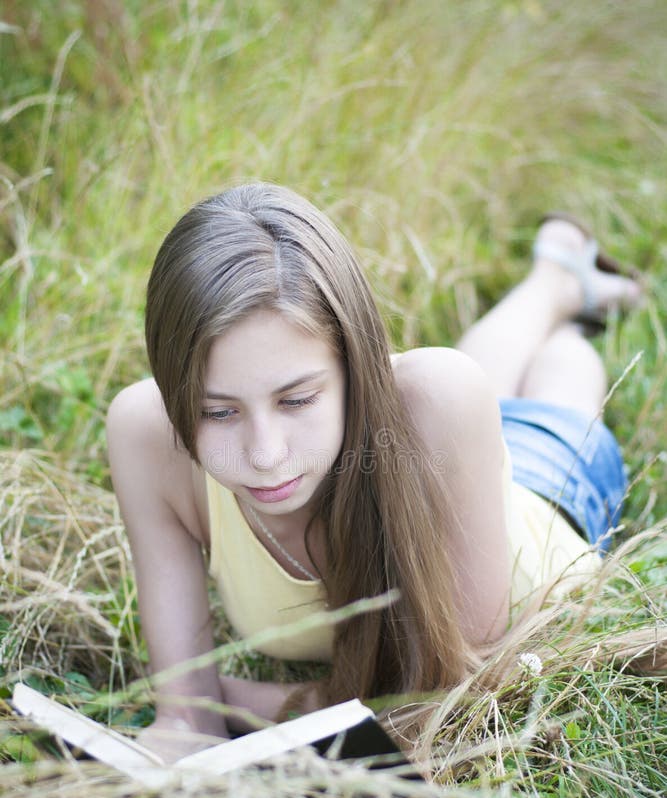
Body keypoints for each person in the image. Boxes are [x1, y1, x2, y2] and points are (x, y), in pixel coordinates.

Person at [106, 183, 642, 761]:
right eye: (218, 411)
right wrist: (189, 717)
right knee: (463, 381)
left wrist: (266, 700)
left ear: (354, 365)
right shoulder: (147, 433)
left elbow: (458, 697)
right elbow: (187, 717)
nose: (264, 455)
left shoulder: (440, 399)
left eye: (297, 400)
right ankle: (557, 274)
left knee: (558, 375)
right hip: (443, 442)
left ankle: (558, 286)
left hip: (550, 485)